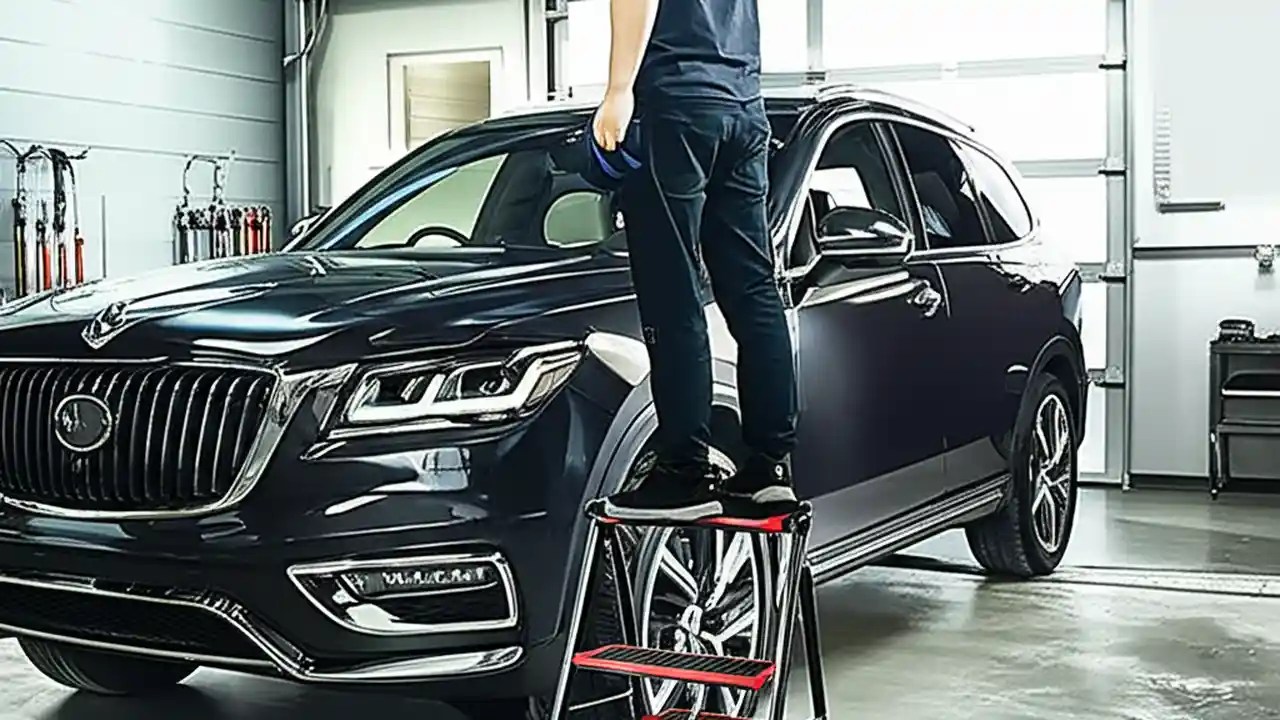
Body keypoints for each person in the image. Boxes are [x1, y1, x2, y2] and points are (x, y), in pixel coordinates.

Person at [594, 0, 798, 520]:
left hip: (678, 104)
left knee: (673, 292)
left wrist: (618, 89)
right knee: (753, 289)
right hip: (744, 107)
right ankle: (769, 468)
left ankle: (683, 470)